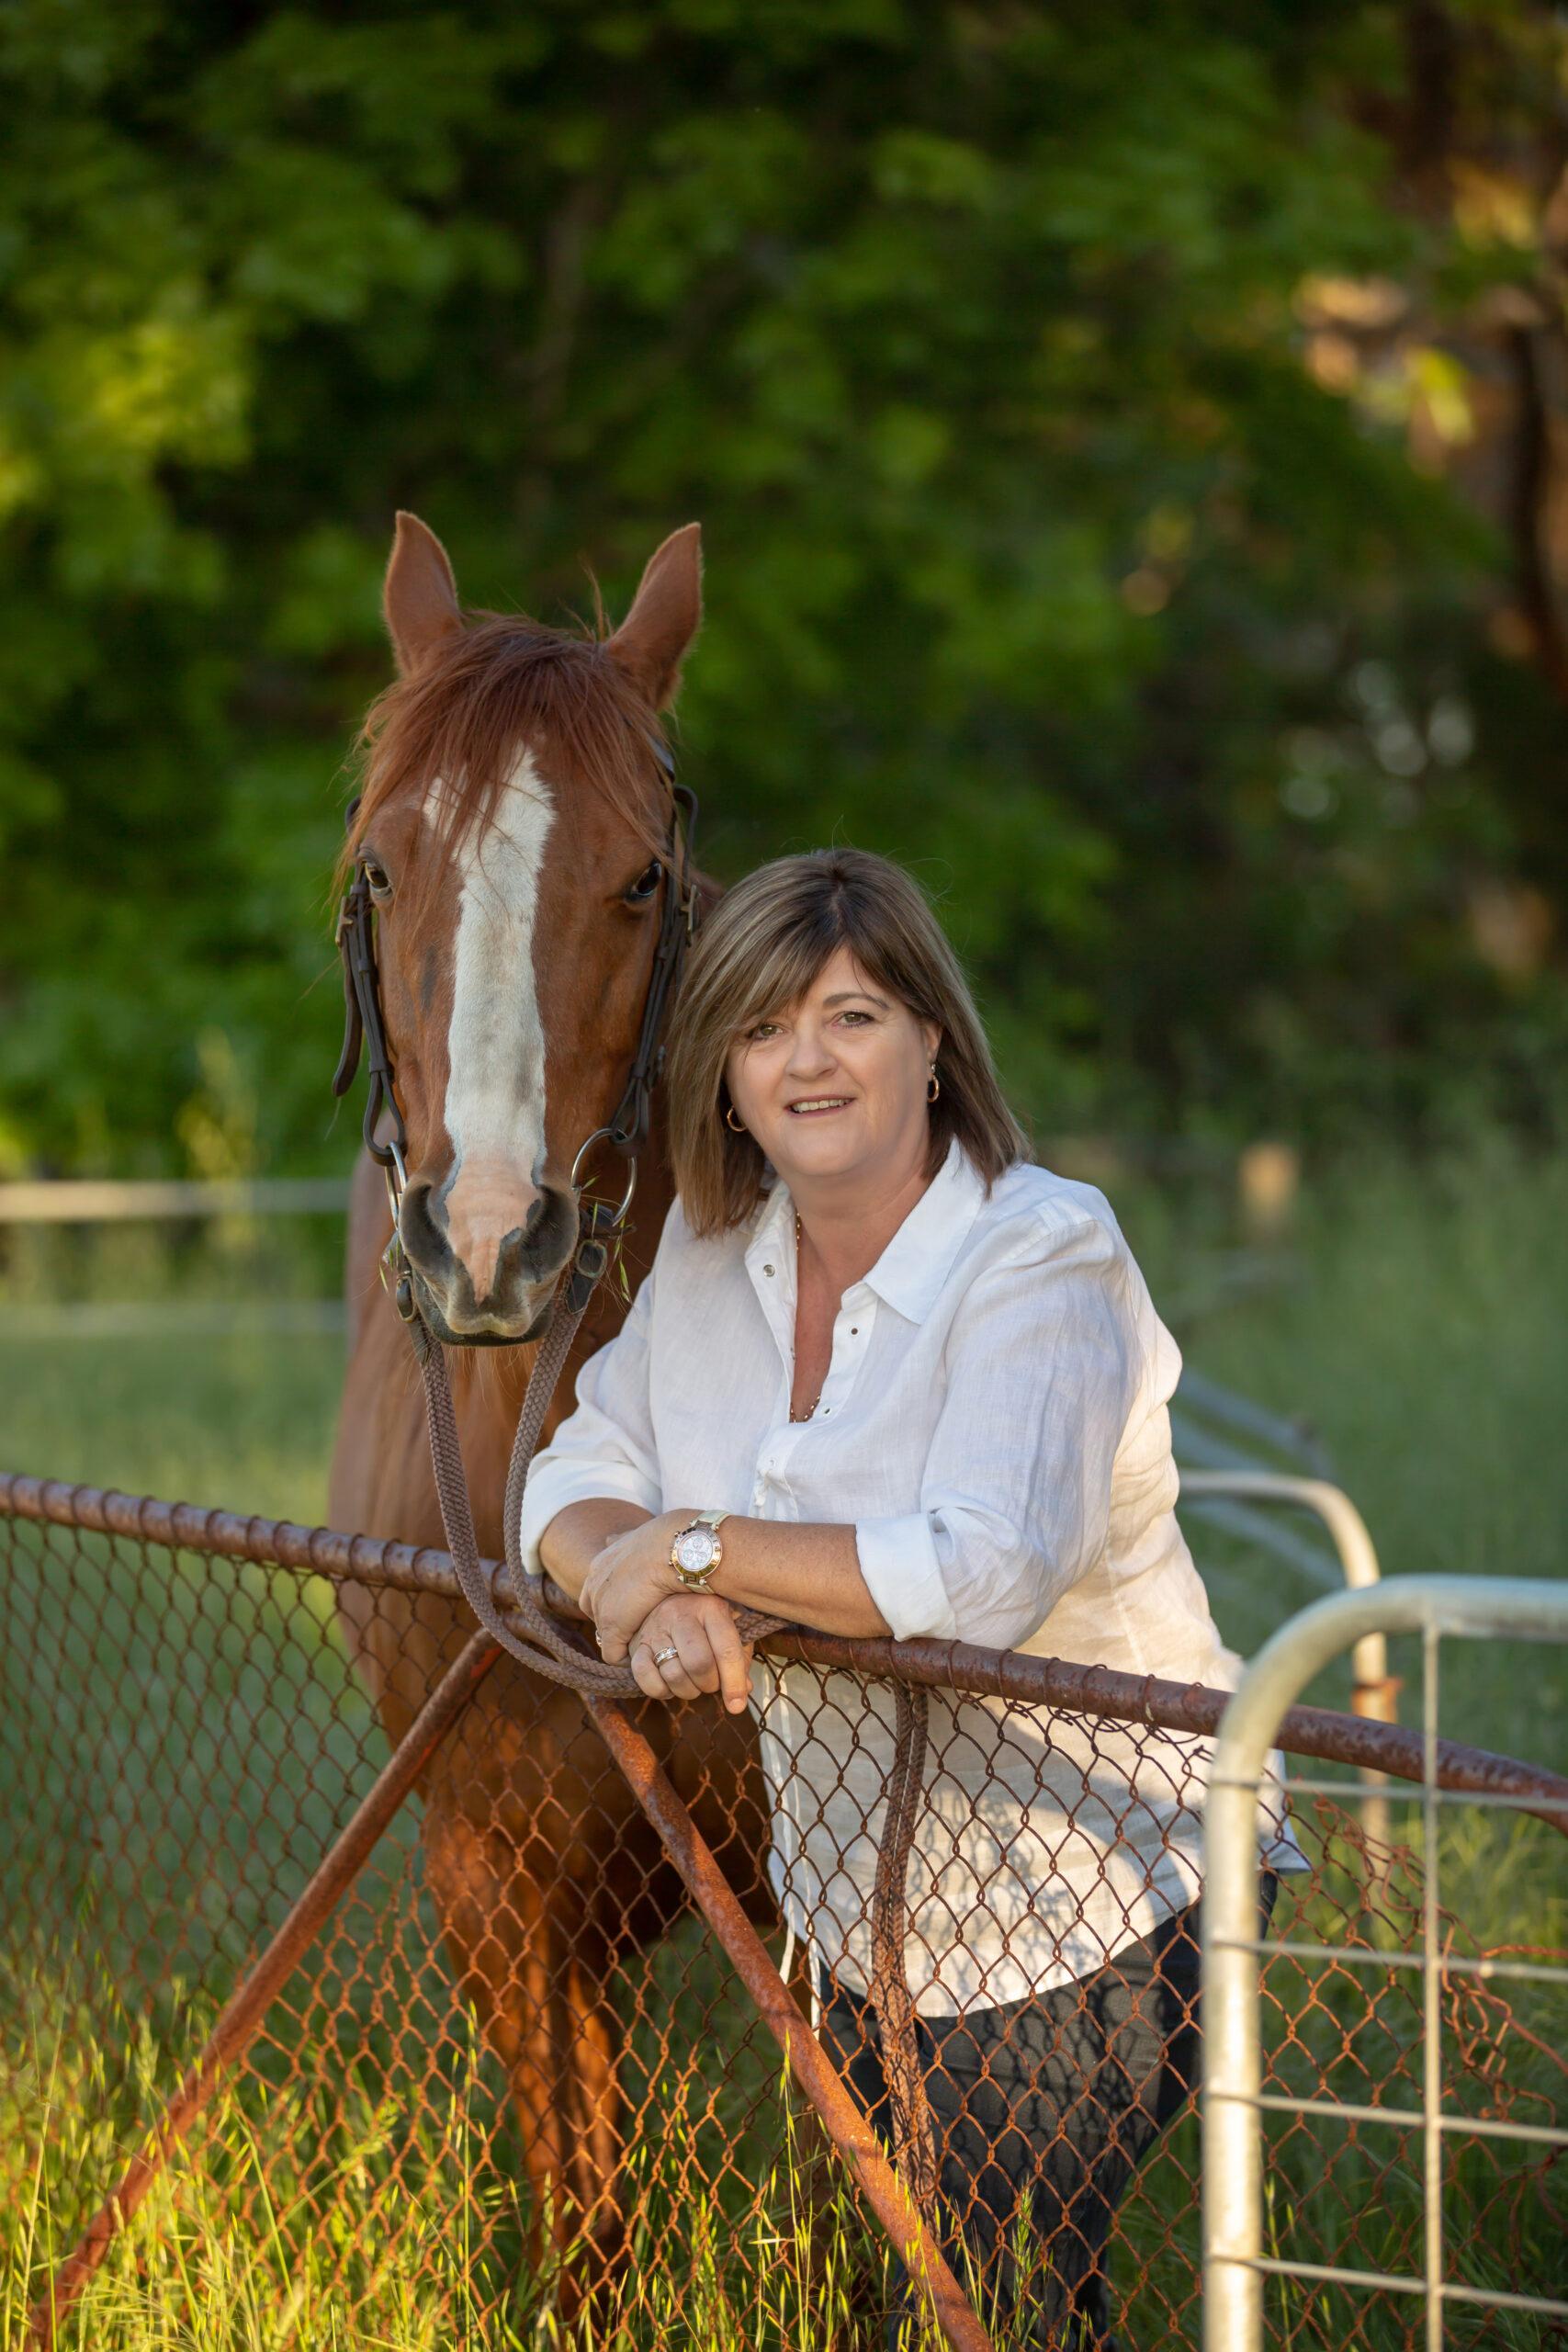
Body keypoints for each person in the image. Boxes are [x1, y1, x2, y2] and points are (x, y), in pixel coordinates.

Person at [522, 847, 1299, 2346]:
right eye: (759, 1029)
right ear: (726, 1077)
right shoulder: (702, 1255)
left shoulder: (1041, 1253)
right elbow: (568, 1480)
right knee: (911, 2294)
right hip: (857, 1907)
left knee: (990, 2301)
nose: (804, 1060)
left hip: (1095, 1890)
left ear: (934, 1041)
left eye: (851, 1015)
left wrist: (700, 1549)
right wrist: (652, 1600)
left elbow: (984, 1567)